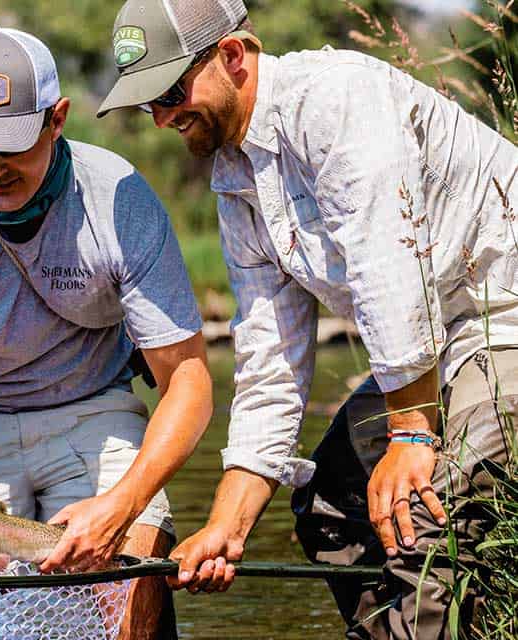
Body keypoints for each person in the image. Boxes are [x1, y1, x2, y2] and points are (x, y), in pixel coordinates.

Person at [97, 0, 518, 637]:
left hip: (502, 319)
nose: (161, 118)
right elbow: (270, 365)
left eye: (171, 91)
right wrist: (227, 525)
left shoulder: (337, 100)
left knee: (418, 513)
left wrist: (412, 437)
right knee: (330, 504)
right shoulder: (235, 181)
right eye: (145, 103)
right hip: (437, 345)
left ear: (233, 56)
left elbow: (389, 266)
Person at [0, 26, 213, 639]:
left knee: (131, 583)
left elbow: (186, 380)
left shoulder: (119, 201)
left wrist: (121, 506)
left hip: (93, 411)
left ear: (57, 120)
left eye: (10, 145)